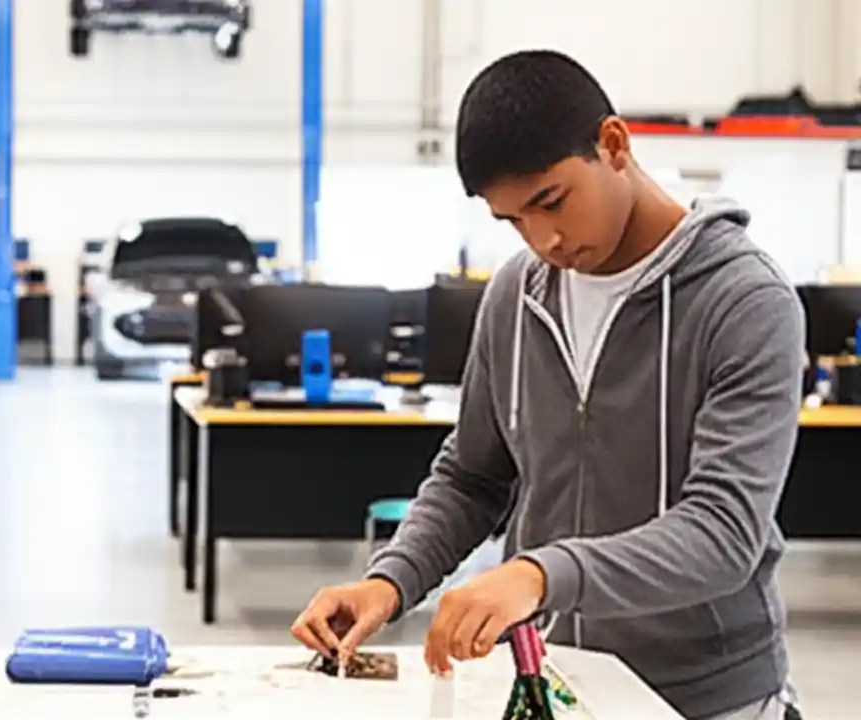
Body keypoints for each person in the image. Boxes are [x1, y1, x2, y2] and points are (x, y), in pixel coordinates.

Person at [291, 50, 805, 720]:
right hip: (557, 683)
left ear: (613, 145)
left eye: (551, 201)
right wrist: (389, 582)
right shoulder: (516, 296)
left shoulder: (746, 302)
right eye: (512, 221)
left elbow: (724, 531)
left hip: (709, 701)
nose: (545, 239)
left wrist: (539, 574)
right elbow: (472, 477)